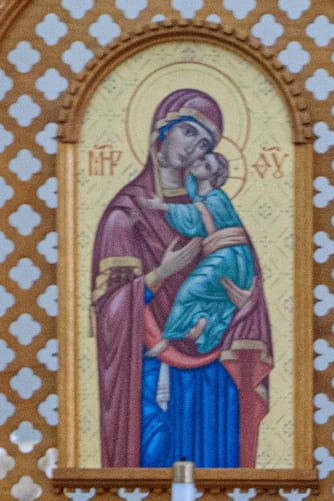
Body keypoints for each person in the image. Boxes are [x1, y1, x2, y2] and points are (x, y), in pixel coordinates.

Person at [89, 88, 275, 468]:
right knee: (156, 456)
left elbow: (245, 276)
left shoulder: (216, 210)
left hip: (211, 370)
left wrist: (246, 303)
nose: (195, 148)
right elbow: (109, 314)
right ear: (163, 130)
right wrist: (162, 274)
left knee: (216, 461)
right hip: (153, 370)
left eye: (205, 143)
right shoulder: (126, 214)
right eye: (190, 133)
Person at [141, 149, 257, 358]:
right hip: (225, 255)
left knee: (189, 290)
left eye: (206, 165)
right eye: (201, 159)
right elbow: (193, 199)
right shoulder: (199, 194)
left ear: (214, 176)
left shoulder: (216, 198)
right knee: (216, 296)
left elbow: (194, 218)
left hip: (229, 255)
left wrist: (162, 207)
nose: (199, 163)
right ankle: (204, 322)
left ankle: (167, 339)